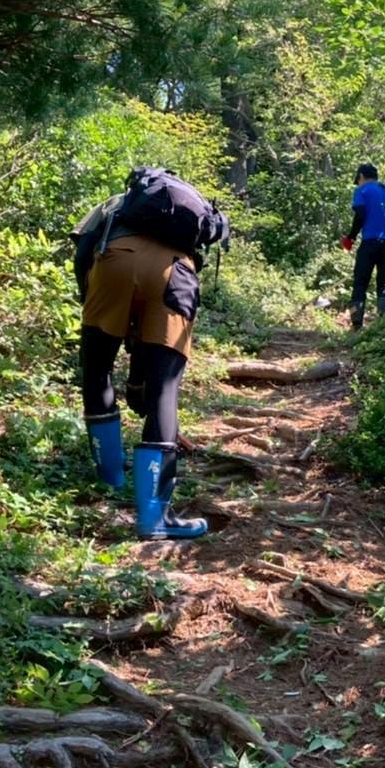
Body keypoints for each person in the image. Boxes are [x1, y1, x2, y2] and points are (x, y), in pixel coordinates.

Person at [71, 171, 226, 541]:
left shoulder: (118, 203)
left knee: (97, 369)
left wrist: (88, 297)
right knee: (164, 390)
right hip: (176, 272)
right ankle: (155, 517)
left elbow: (82, 247)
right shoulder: (189, 217)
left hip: (115, 261)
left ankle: (110, 477)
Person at [339, 163, 385, 329]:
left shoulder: (362, 190)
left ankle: (357, 325)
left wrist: (350, 237)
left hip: (370, 242)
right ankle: (384, 324)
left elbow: (360, 215)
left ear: (360, 176)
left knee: (360, 282)